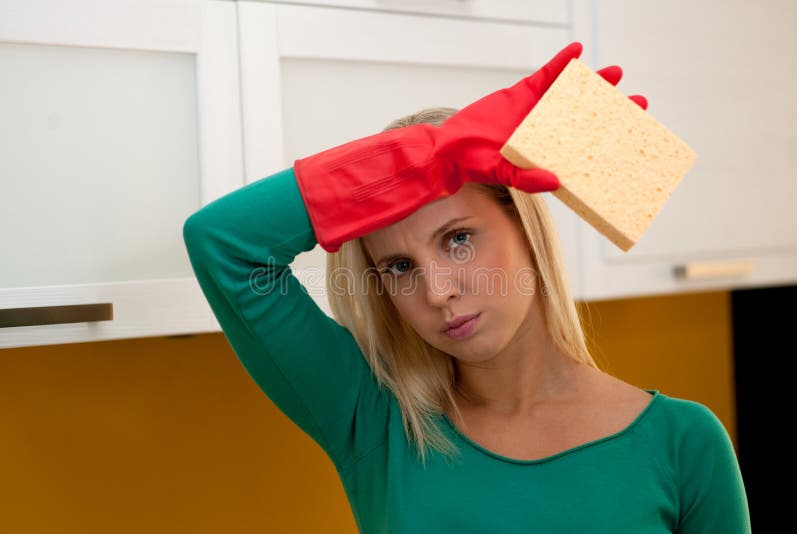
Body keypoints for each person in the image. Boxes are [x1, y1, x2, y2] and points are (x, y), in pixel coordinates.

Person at [183, 42, 751, 533]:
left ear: (524, 230)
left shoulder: (685, 444)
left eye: (458, 239)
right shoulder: (375, 421)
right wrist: (430, 157)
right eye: (400, 268)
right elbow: (222, 243)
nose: (437, 291)